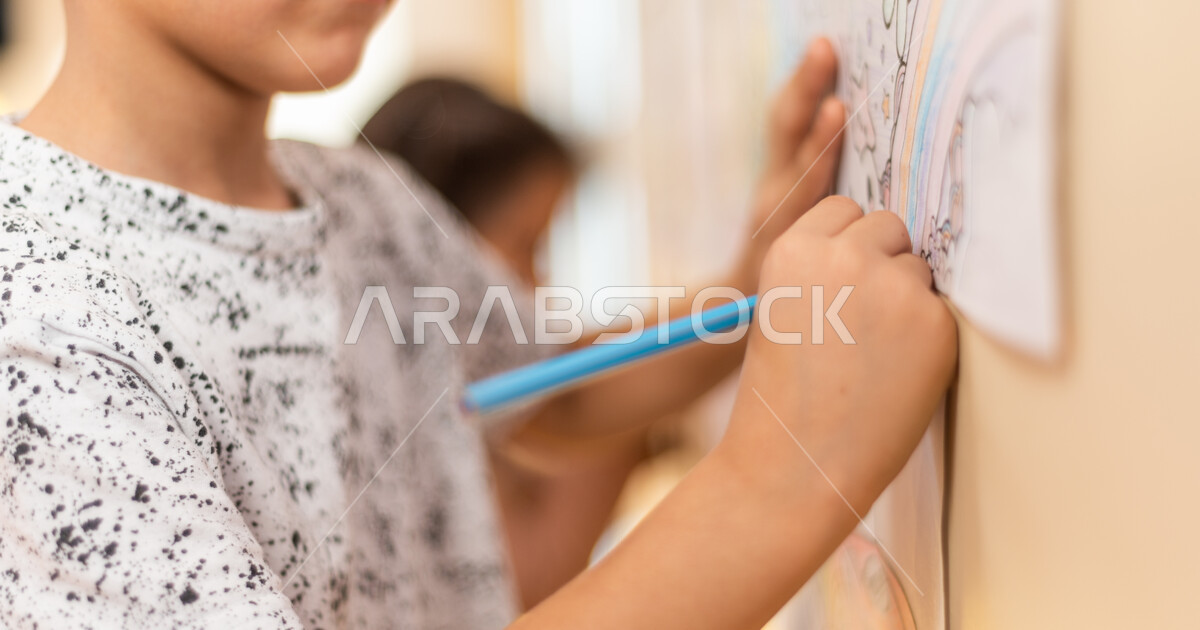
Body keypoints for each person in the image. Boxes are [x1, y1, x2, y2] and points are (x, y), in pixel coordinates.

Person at [0, 2, 957, 629]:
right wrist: (778, 482)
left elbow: (542, 389)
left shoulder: (362, 199)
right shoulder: (33, 310)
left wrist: (751, 285)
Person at [362, 77, 671, 609]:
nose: (539, 282)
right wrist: (619, 433)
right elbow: (529, 588)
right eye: (528, 246)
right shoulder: (420, 427)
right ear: (442, 256)